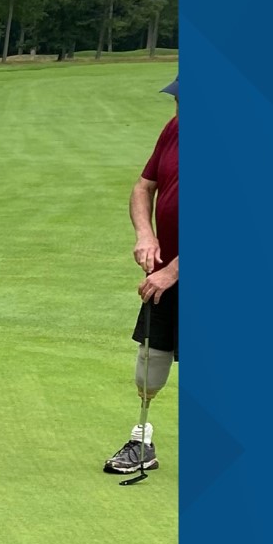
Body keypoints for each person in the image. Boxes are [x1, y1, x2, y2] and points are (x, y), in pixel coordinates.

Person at [106, 77, 179, 475]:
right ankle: (142, 439)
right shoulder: (173, 130)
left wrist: (174, 271)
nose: (180, 106)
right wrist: (145, 233)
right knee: (151, 357)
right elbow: (143, 186)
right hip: (164, 271)